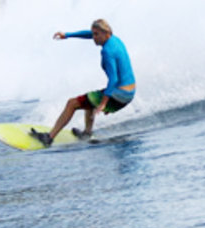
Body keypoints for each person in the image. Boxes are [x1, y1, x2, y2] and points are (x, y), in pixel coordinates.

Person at [31, 18, 136, 146]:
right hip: (129, 92)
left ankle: (49, 138)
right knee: (90, 99)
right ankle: (87, 133)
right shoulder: (115, 40)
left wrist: (103, 103)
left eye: (96, 34)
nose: (94, 38)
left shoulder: (107, 51)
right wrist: (68, 35)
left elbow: (113, 79)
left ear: (105, 33)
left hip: (119, 94)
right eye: (93, 34)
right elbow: (89, 33)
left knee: (72, 103)